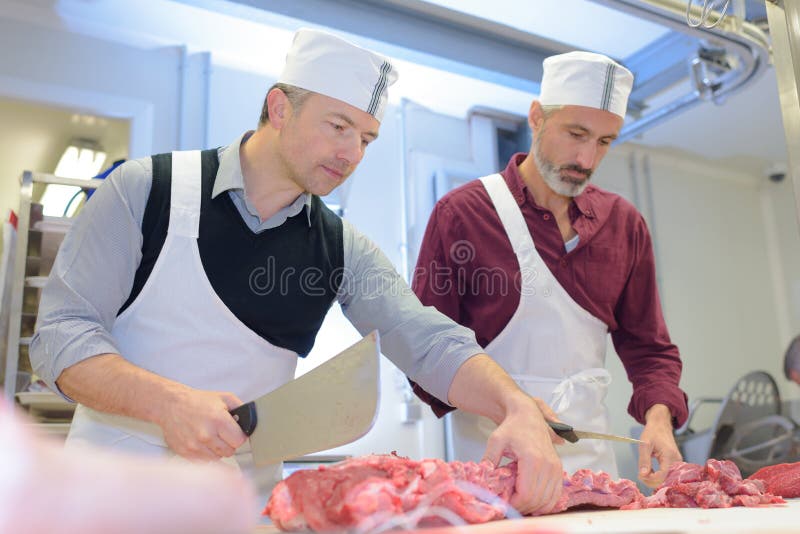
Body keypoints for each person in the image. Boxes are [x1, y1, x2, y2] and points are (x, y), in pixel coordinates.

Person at [29, 28, 564, 515]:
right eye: (339, 126)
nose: (353, 152)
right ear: (279, 108)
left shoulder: (340, 247)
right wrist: (167, 403)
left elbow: (425, 340)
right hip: (104, 501)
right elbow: (60, 337)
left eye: (368, 139)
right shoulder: (147, 191)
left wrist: (514, 405)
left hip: (236, 510)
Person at [411, 51, 689, 487]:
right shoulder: (462, 214)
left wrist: (658, 419)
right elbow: (424, 354)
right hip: (495, 464)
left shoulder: (623, 223)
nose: (586, 158)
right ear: (537, 117)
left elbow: (649, 348)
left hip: (593, 466)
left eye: (604, 141)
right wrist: (508, 404)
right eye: (575, 134)